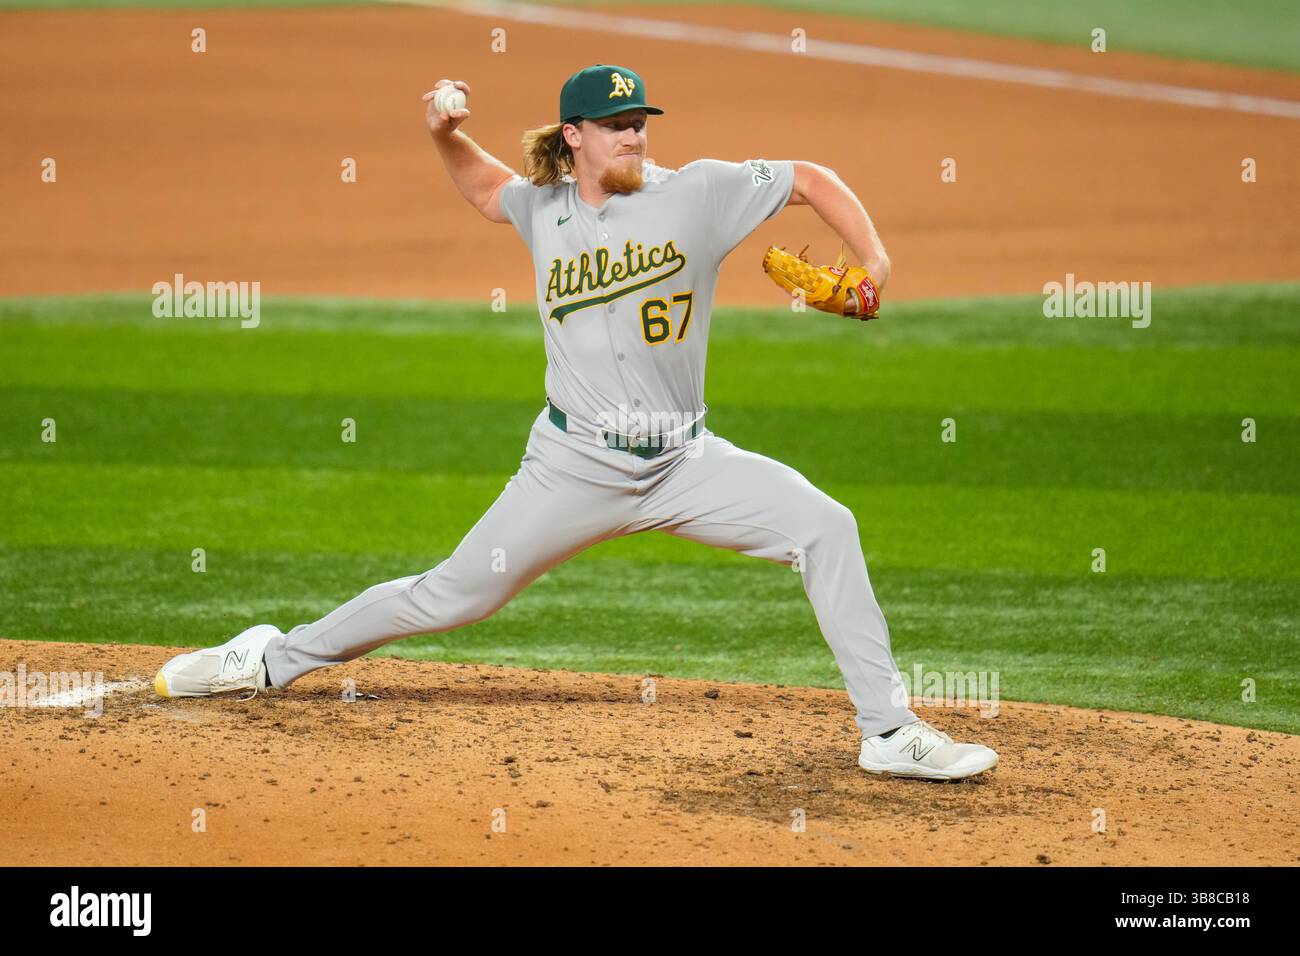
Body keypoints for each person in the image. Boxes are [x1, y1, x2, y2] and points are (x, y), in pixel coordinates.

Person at [155, 64, 998, 781]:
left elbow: (810, 178)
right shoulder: (542, 208)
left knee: (826, 525)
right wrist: (443, 132)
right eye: (617, 126)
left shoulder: (698, 194)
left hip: (685, 462)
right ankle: (269, 657)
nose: (634, 136)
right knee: (452, 595)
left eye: (640, 123)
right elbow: (486, 186)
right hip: (573, 467)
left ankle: (887, 732)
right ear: (574, 136)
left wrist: (876, 263)